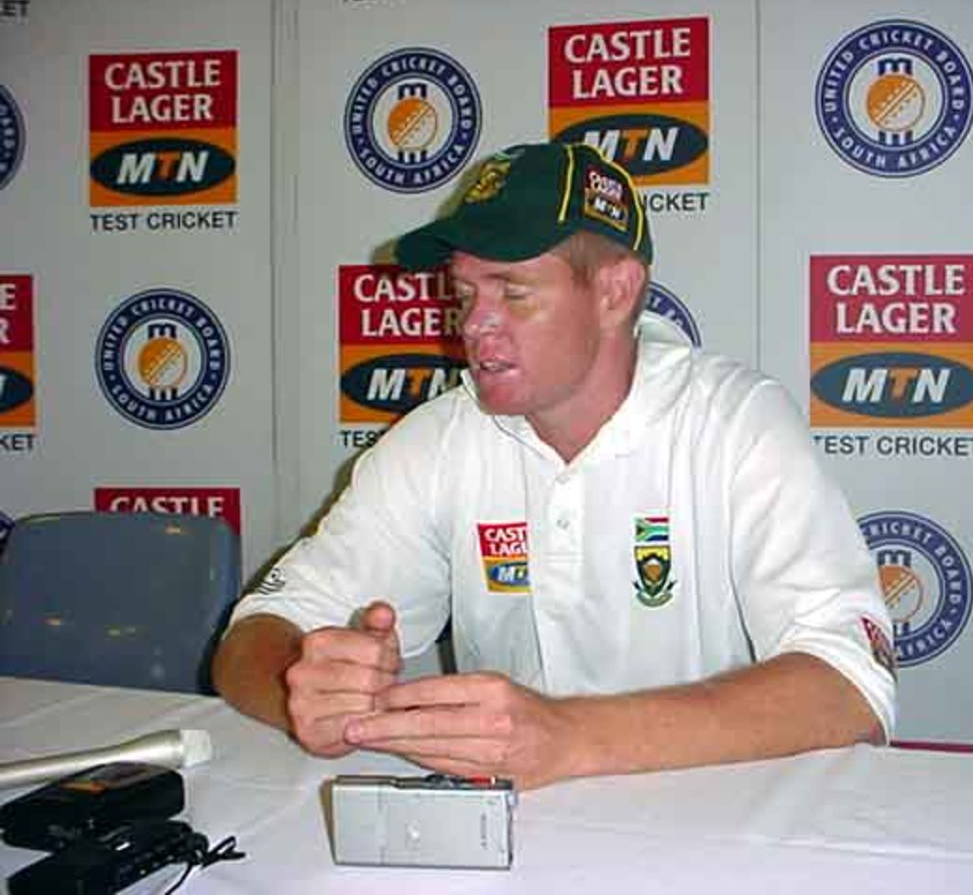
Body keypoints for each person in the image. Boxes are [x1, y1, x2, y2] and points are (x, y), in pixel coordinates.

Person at [213, 141, 896, 791]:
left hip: (722, 828)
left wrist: (568, 739)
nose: (473, 325)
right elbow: (254, 634)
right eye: (464, 295)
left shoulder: (735, 423)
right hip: (519, 834)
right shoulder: (441, 439)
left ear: (614, 293)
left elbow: (849, 687)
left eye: (512, 292)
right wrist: (301, 684)